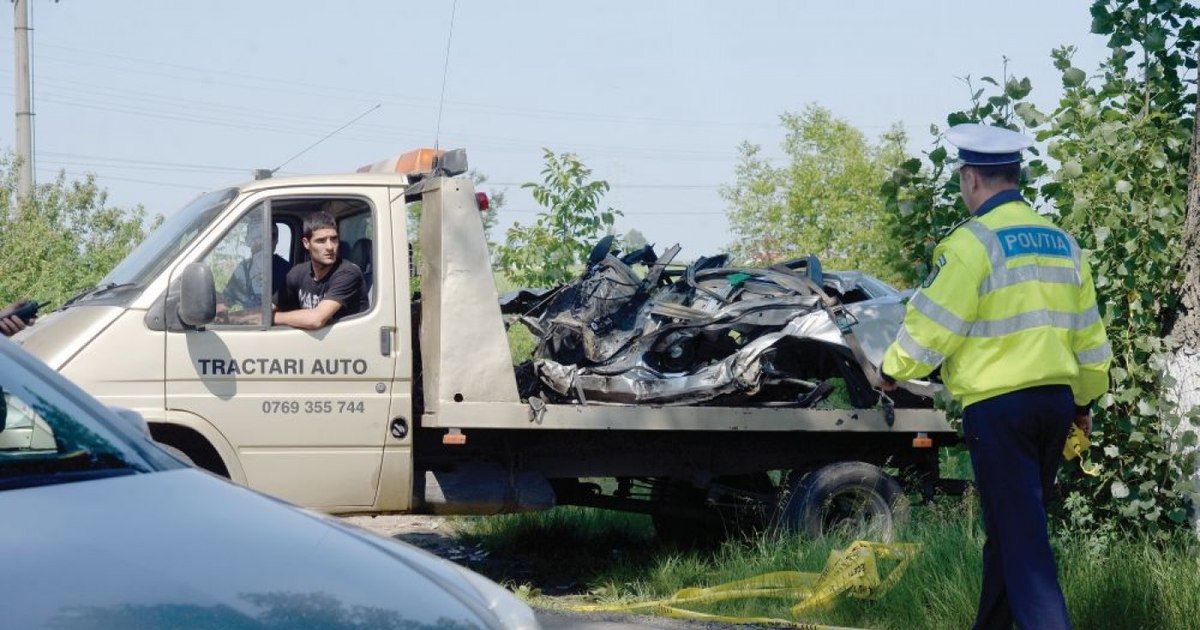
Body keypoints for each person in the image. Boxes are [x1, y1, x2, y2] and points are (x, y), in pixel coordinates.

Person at [878, 123, 1111, 630]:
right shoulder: (1064, 244)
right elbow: (1091, 339)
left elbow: (933, 327)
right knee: (1010, 534)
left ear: (971, 179)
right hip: (1055, 407)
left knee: (1024, 544)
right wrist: (1084, 404)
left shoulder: (970, 244)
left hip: (1000, 410)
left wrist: (891, 371)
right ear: (1017, 175)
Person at [274, 211, 368, 330]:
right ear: (306, 243)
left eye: (334, 239)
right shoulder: (298, 272)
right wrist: (251, 316)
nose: (330, 247)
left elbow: (316, 320)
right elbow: (272, 306)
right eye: (321, 241)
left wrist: (271, 318)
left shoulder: (349, 272)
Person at [216, 220, 291, 324]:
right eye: (259, 236)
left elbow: (286, 310)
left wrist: (237, 318)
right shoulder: (242, 269)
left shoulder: (288, 271)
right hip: (247, 330)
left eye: (272, 236)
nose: (265, 241)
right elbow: (227, 301)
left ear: (277, 241)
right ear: (248, 241)